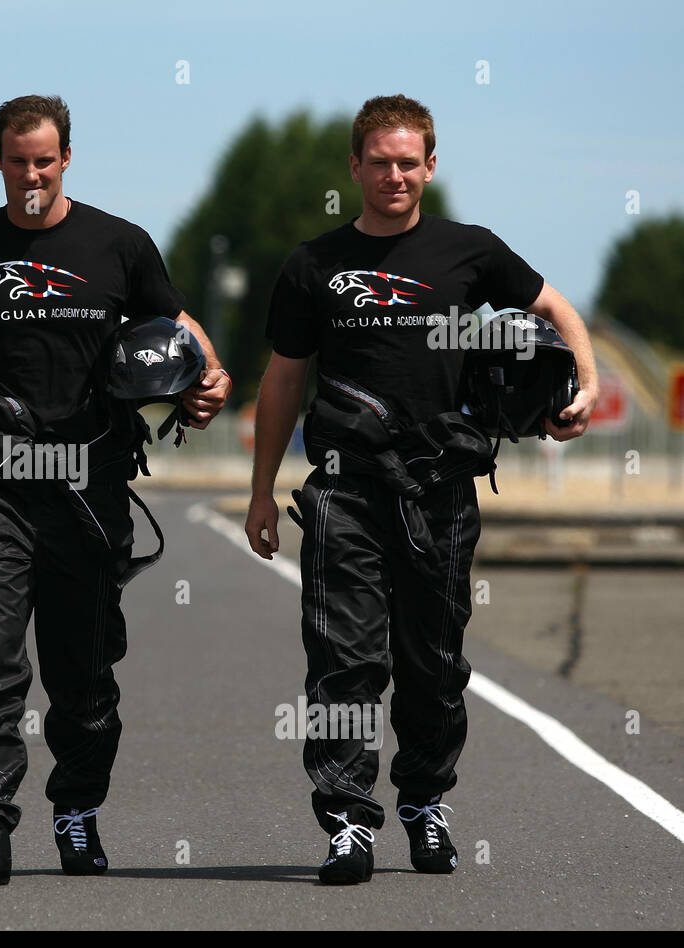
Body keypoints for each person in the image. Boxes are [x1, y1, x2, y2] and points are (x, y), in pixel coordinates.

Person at [244, 94, 598, 884]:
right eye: (380, 161)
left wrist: (585, 382)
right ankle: (346, 821)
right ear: (355, 167)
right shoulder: (314, 264)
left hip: (440, 492)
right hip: (344, 492)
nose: (395, 175)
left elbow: (554, 307)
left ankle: (424, 802)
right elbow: (283, 381)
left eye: (409, 162)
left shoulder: (468, 253)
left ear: (430, 167)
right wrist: (262, 490)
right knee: (344, 663)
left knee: (433, 664)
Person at [0, 95, 230, 888]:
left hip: (90, 490)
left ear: (67, 158)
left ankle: (77, 810)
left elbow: (181, 329)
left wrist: (212, 379)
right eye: (17, 161)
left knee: (83, 674)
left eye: (44, 160)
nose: (31, 174)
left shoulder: (119, 244)